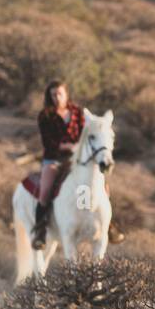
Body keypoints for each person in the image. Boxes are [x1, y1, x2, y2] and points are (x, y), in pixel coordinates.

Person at [32, 80, 124, 248]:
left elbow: (87, 134)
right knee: (45, 190)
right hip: (54, 158)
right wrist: (65, 146)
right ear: (49, 96)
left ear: (66, 94)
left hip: (79, 157)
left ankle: (108, 225)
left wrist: (81, 148)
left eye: (60, 93)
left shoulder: (77, 112)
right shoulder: (45, 115)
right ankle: (40, 231)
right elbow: (47, 141)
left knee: (102, 186)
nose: (57, 97)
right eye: (53, 94)